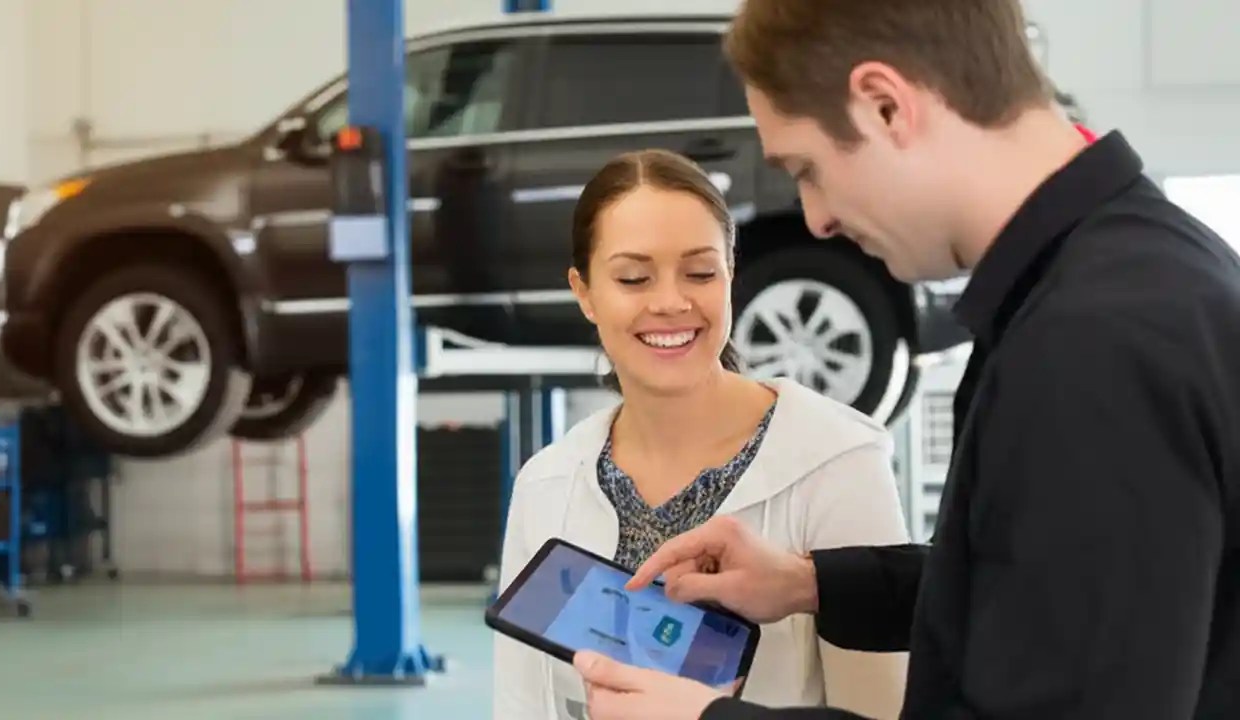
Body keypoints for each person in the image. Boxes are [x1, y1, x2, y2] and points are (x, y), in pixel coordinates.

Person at [571, 1, 1240, 718]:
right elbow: (1045, 586)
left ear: (886, 106)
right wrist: (811, 584)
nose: (817, 217)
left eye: (808, 169)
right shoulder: (1137, 271)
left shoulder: (1093, 346)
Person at [491, 148, 913, 720]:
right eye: (633, 277)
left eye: (700, 272)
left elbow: (880, 713)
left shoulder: (836, 462)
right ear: (584, 292)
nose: (670, 302)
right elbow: (522, 704)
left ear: (731, 278)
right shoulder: (546, 485)